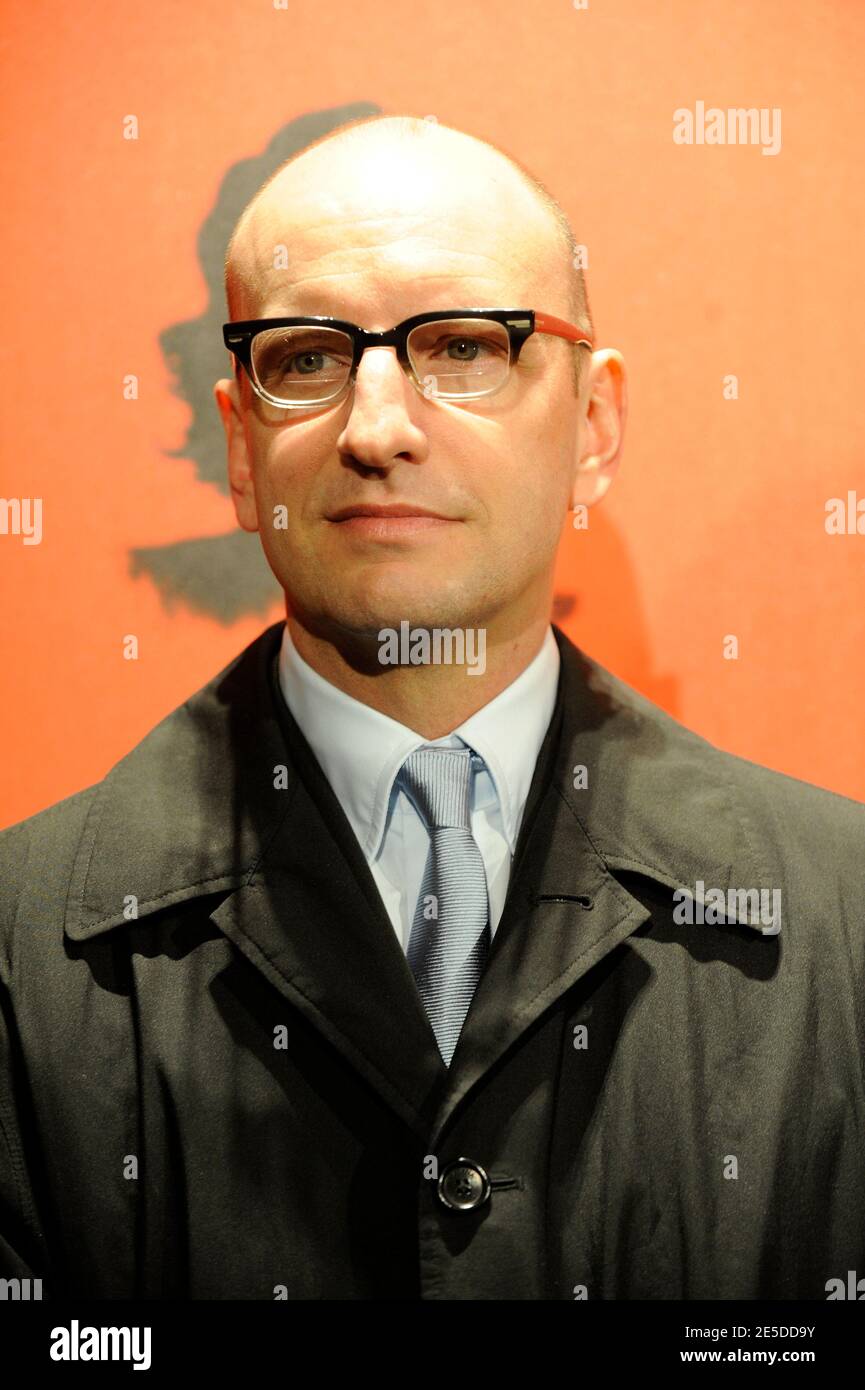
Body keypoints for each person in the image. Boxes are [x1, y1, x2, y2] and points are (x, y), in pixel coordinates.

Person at [1, 114, 863, 1302]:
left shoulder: (845, 920)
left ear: (595, 427)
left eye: (461, 345)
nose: (376, 429)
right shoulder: (20, 954)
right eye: (305, 358)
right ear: (242, 453)